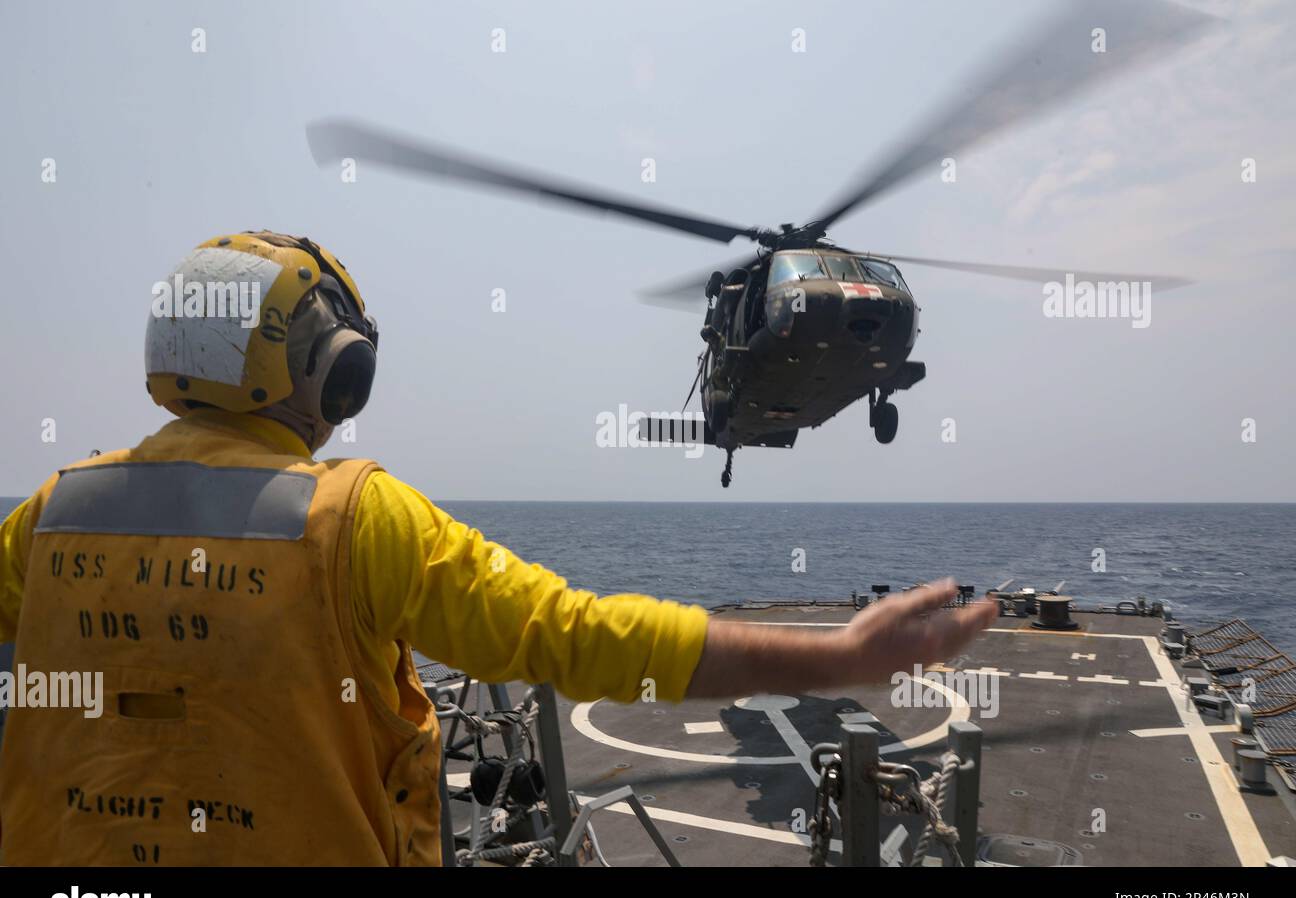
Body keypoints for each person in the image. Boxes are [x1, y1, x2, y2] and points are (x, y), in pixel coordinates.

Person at [0, 231, 996, 865]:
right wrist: (840, 655)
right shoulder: (353, 518)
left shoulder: (48, 513)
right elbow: (578, 637)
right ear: (332, 372)